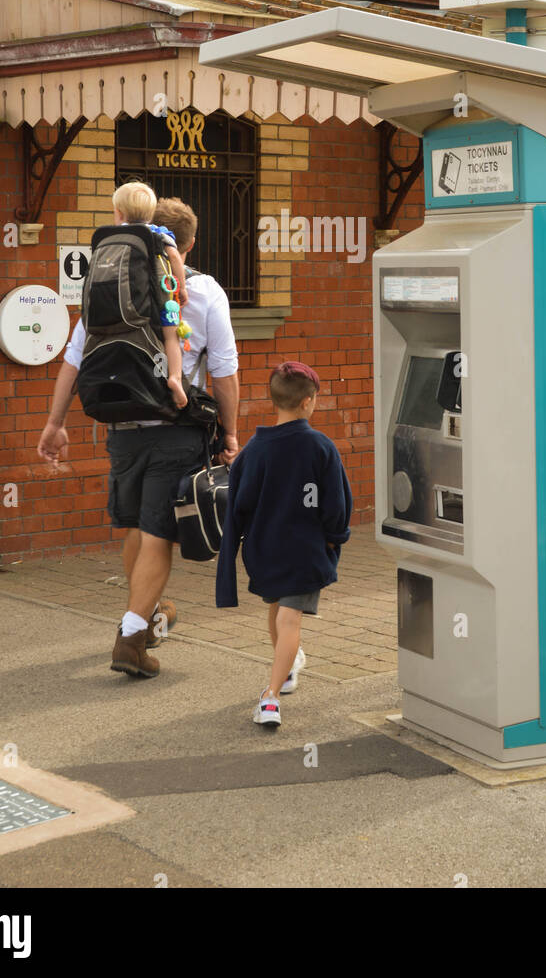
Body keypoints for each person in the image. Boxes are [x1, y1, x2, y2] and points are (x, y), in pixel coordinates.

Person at [38, 196, 240, 678]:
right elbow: (224, 372)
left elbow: (73, 361)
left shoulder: (111, 288)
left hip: (121, 431)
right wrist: (231, 432)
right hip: (174, 431)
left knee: (137, 527)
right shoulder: (204, 292)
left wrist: (54, 424)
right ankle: (130, 637)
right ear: (189, 242)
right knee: (158, 535)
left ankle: (147, 615)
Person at [215, 361, 352, 728]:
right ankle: (271, 696)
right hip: (304, 553)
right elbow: (336, 505)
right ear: (308, 402)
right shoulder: (321, 447)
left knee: (278, 610)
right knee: (290, 618)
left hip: (263, 552)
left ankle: (288, 667)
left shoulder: (253, 451)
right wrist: (335, 539)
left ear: (274, 400)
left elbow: (238, 507)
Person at [111, 181, 188, 412]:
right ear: (151, 213)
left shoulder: (115, 236)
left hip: (128, 297)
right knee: (171, 337)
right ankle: (174, 376)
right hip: (162, 290)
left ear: (119, 212)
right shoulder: (159, 233)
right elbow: (174, 258)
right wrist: (181, 287)